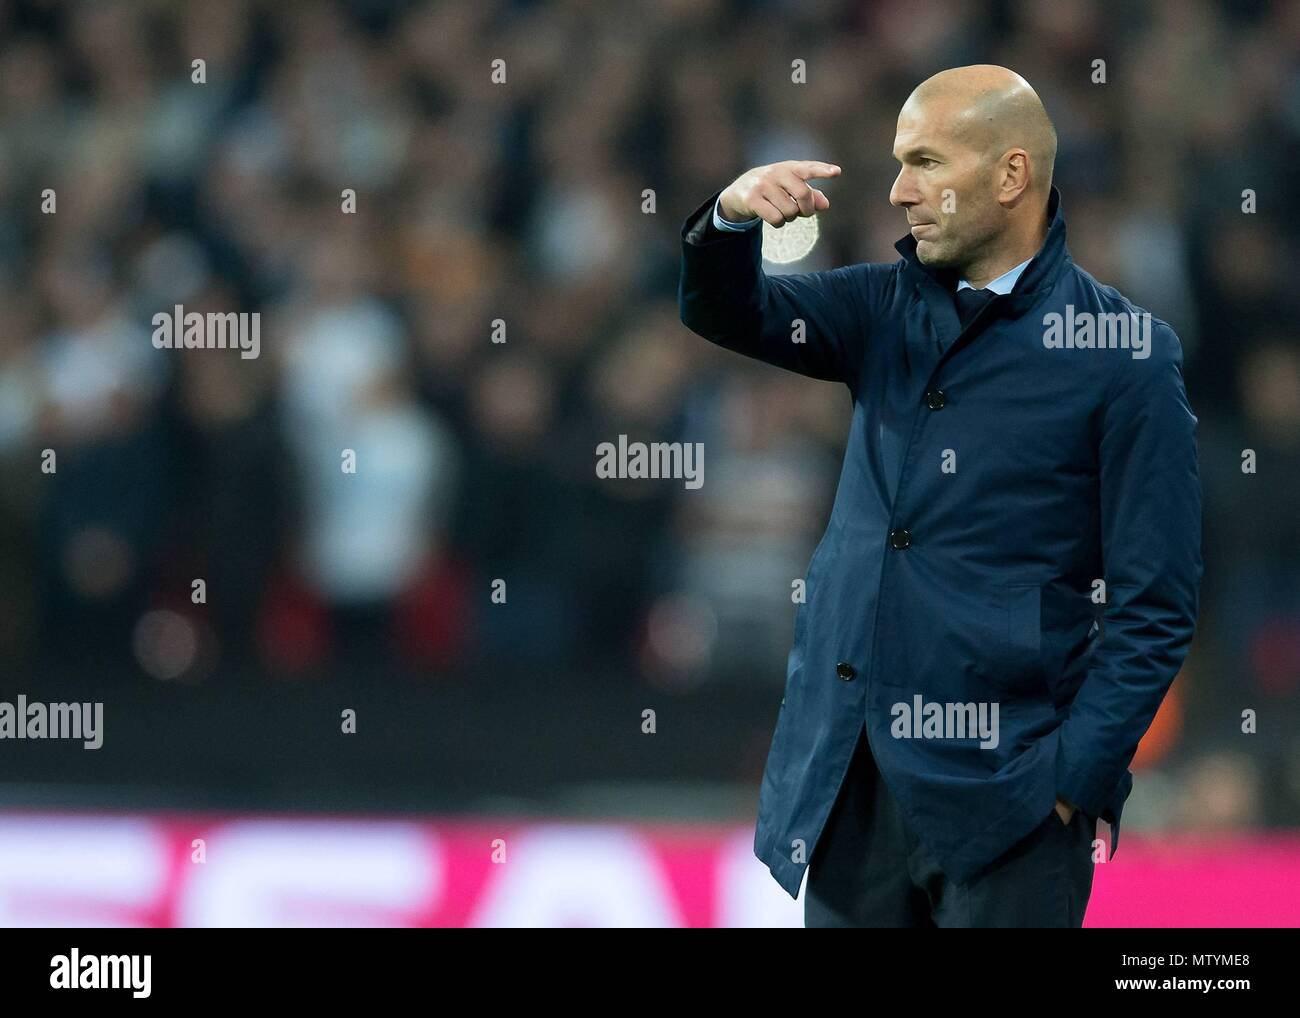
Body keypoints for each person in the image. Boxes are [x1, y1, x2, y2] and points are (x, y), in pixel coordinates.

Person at [678, 65, 1202, 927]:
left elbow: (1157, 607)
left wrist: (1072, 783)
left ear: (1010, 174)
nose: (898, 191)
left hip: (1012, 806)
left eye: (925, 161)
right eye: (896, 163)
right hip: (851, 791)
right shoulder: (879, 309)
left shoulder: (1125, 357)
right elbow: (730, 311)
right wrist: (731, 219)